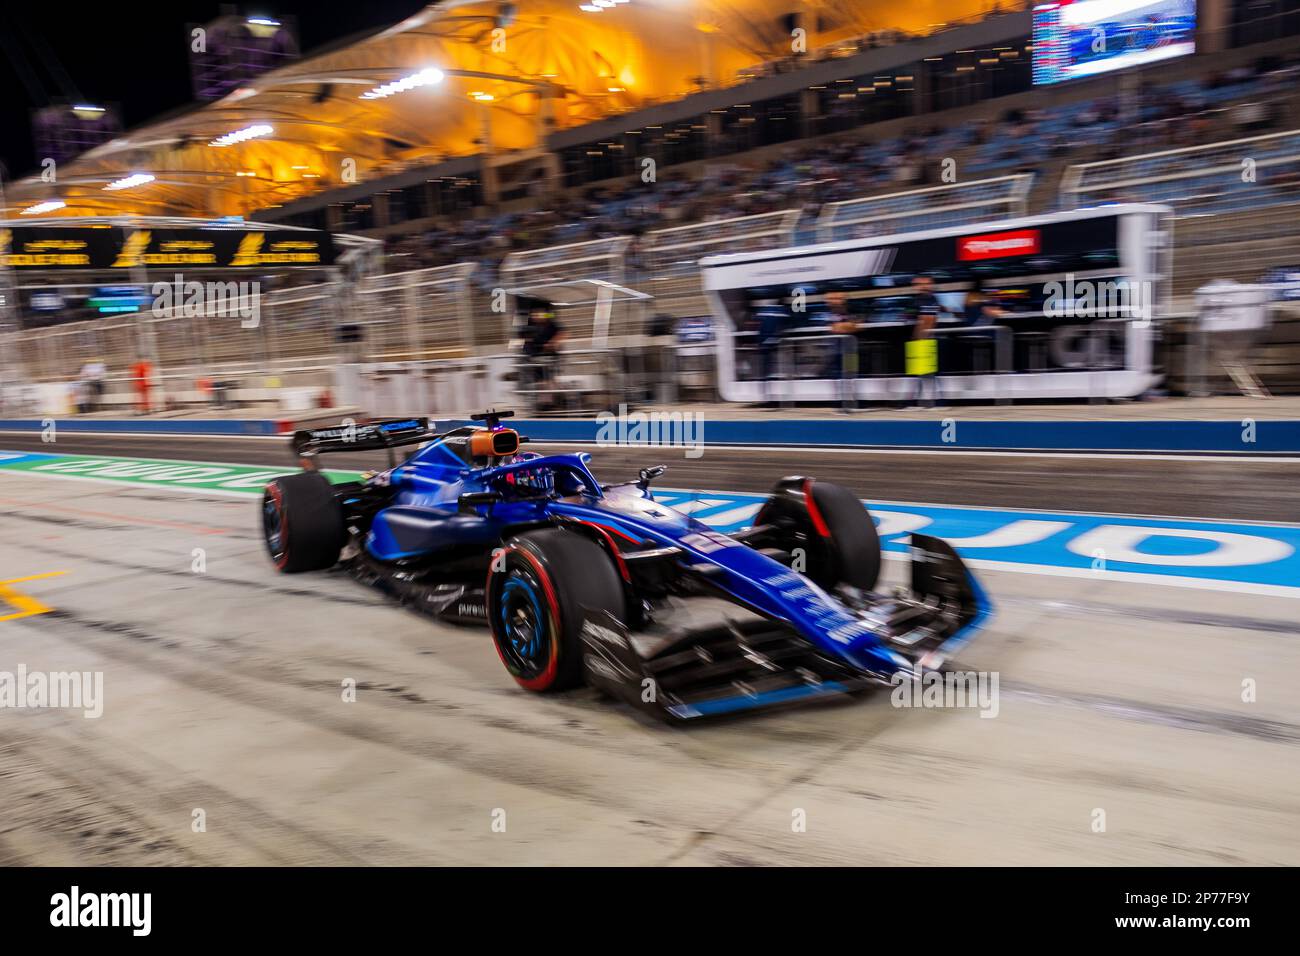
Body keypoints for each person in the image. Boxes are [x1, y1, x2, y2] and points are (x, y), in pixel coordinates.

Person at [906, 276, 949, 409]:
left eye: (927, 284)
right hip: (919, 339)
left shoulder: (931, 299)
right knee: (920, 372)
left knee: (930, 371)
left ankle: (938, 402)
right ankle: (917, 402)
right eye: (921, 284)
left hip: (925, 339)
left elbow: (928, 319)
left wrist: (922, 337)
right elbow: (913, 316)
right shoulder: (917, 300)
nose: (924, 286)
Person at [521, 303, 564, 412]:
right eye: (534, 314)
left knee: (548, 380)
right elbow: (527, 342)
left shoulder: (551, 325)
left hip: (549, 358)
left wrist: (553, 343)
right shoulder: (531, 326)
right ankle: (544, 403)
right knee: (541, 381)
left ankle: (551, 402)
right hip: (535, 358)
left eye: (539, 314)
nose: (536, 316)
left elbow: (562, 333)